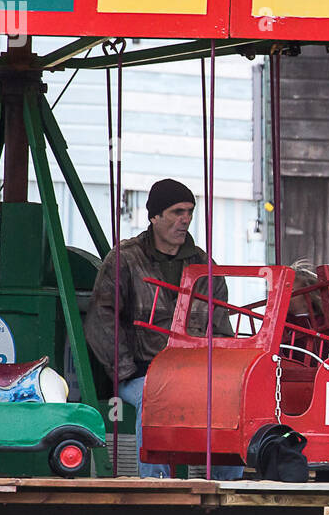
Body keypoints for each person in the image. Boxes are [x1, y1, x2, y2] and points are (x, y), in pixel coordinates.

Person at [84, 178, 242, 479]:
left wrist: (220, 377)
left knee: (229, 399)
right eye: (176, 212)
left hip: (195, 375)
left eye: (190, 212)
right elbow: (101, 320)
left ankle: (226, 488)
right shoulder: (124, 260)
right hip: (140, 373)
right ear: (154, 216)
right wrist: (126, 368)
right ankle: (155, 486)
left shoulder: (207, 268)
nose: (185, 219)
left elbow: (221, 330)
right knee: (155, 394)